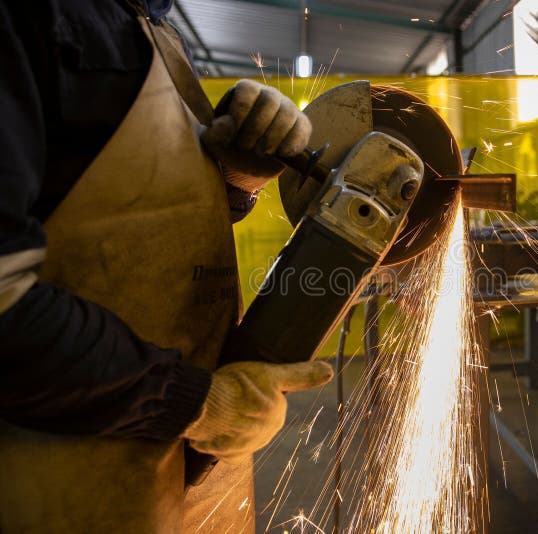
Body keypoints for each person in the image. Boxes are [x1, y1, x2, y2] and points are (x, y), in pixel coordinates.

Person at [0, 1, 333, 531]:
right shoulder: (26, 18)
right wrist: (194, 402)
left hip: (185, 473)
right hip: (55, 485)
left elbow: (135, 224)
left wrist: (238, 179)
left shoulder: (154, 28)